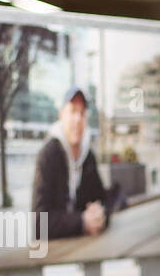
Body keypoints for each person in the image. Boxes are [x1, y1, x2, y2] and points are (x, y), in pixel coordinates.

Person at [31, 86, 120, 241]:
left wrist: (100, 215)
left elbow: (102, 200)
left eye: (82, 113)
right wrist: (82, 221)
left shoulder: (88, 156)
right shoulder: (48, 155)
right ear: (61, 115)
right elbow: (39, 224)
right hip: (51, 254)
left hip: (82, 249)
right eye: (72, 111)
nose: (78, 119)